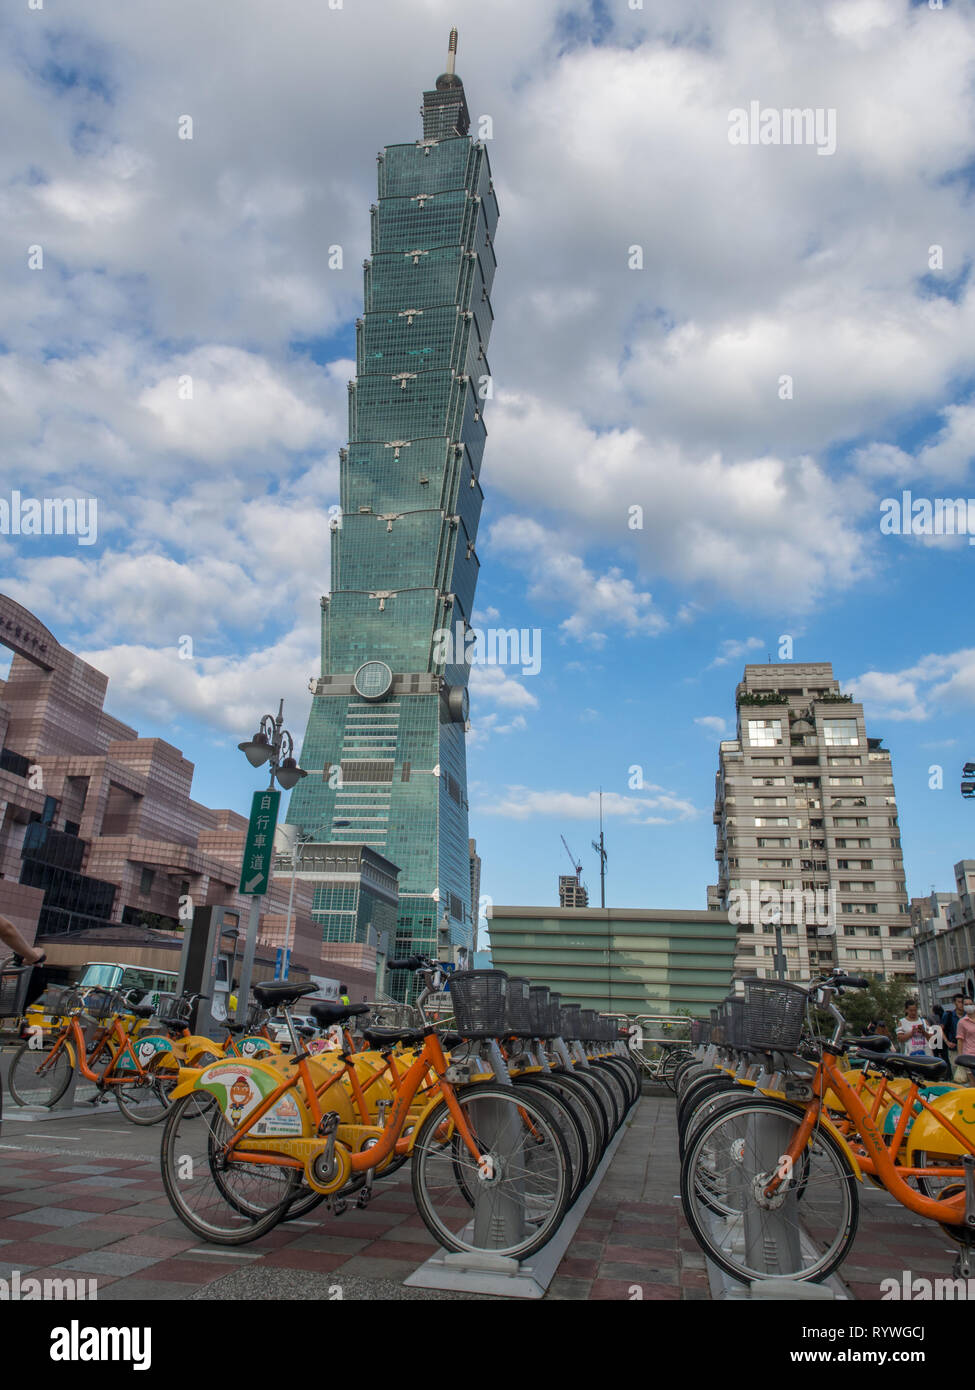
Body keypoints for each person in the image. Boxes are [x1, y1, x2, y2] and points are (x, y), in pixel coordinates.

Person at [954, 998, 975, 1082]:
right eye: (966, 1004)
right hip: (969, 1056)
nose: (969, 1006)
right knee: (973, 1083)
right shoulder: (962, 1022)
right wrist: (960, 1058)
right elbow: (960, 1040)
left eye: (971, 1004)